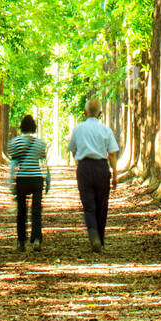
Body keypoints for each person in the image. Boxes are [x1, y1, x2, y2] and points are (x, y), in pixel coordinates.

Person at [68, 98, 119, 251]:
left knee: (88, 205)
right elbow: (112, 154)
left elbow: (73, 150)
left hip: (84, 167)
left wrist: (79, 162)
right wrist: (115, 174)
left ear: (85, 112)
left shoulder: (78, 129)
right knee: (102, 204)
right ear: (100, 113)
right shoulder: (106, 130)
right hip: (101, 168)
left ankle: (93, 234)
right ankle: (100, 239)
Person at [8, 114, 51, 253]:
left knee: (21, 211)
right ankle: (37, 239)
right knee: (36, 211)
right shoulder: (40, 144)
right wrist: (47, 180)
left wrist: (11, 182)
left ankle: (21, 241)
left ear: (21, 127)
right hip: (37, 179)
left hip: (22, 179)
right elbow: (44, 164)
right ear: (33, 127)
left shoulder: (15, 143)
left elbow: (14, 164)